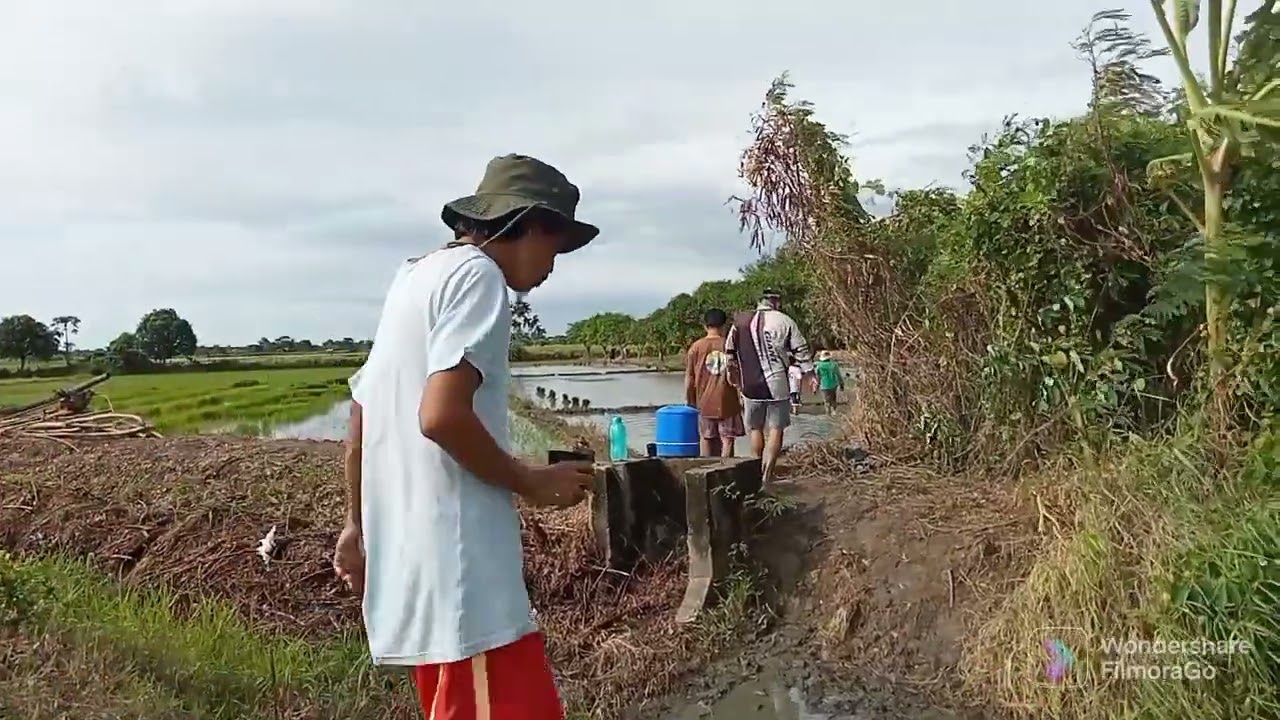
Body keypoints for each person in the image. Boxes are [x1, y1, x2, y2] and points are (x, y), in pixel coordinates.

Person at [332, 154, 599, 720]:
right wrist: (533, 481)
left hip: (417, 564)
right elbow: (440, 416)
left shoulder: (414, 275)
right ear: (526, 225)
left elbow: (364, 413)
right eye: (555, 245)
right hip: (463, 582)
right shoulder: (480, 278)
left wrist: (357, 527)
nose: (553, 265)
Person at [724, 289, 816, 485]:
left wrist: (734, 377)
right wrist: (810, 375)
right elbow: (800, 350)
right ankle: (768, 475)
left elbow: (729, 353)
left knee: (755, 428)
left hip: (750, 385)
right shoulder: (784, 320)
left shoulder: (739, 322)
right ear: (775, 302)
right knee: (776, 429)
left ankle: (756, 469)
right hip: (777, 384)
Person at [684, 307, 745, 457]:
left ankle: (706, 469)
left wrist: (689, 399)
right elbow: (739, 375)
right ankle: (726, 471)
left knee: (706, 438)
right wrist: (742, 396)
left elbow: (689, 378)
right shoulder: (730, 345)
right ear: (725, 325)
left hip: (704, 401)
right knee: (727, 439)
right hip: (728, 401)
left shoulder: (696, 347)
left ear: (705, 326)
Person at [815, 350, 845, 415]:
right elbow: (838, 375)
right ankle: (834, 412)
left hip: (824, 386)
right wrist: (841, 384)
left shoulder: (819, 366)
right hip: (833, 385)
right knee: (833, 400)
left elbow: (818, 378)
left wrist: (816, 387)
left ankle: (828, 415)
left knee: (826, 402)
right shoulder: (834, 365)